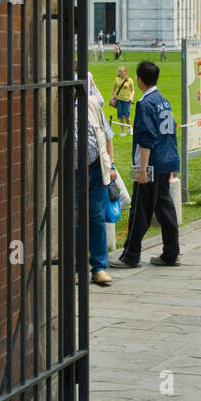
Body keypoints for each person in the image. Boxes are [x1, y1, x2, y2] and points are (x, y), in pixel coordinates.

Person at [117, 60, 180, 269]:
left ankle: (130, 255)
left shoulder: (145, 104)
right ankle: (171, 252)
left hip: (150, 163)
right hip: (165, 160)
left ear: (139, 79)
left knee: (140, 210)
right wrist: (171, 163)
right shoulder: (163, 100)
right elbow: (170, 132)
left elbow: (147, 137)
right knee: (164, 209)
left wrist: (142, 169)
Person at [84, 71, 117, 286]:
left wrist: (110, 164)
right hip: (74, 168)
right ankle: (77, 267)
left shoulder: (93, 105)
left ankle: (98, 267)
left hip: (97, 166)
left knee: (95, 216)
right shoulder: (62, 105)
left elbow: (108, 134)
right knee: (76, 218)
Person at [110, 65, 135, 135]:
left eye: (121, 72)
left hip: (127, 100)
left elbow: (133, 90)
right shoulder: (117, 79)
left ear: (125, 72)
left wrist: (131, 97)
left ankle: (130, 128)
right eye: (119, 72)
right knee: (120, 116)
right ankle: (122, 131)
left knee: (126, 116)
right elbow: (113, 89)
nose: (120, 73)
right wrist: (112, 97)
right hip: (119, 100)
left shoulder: (130, 80)